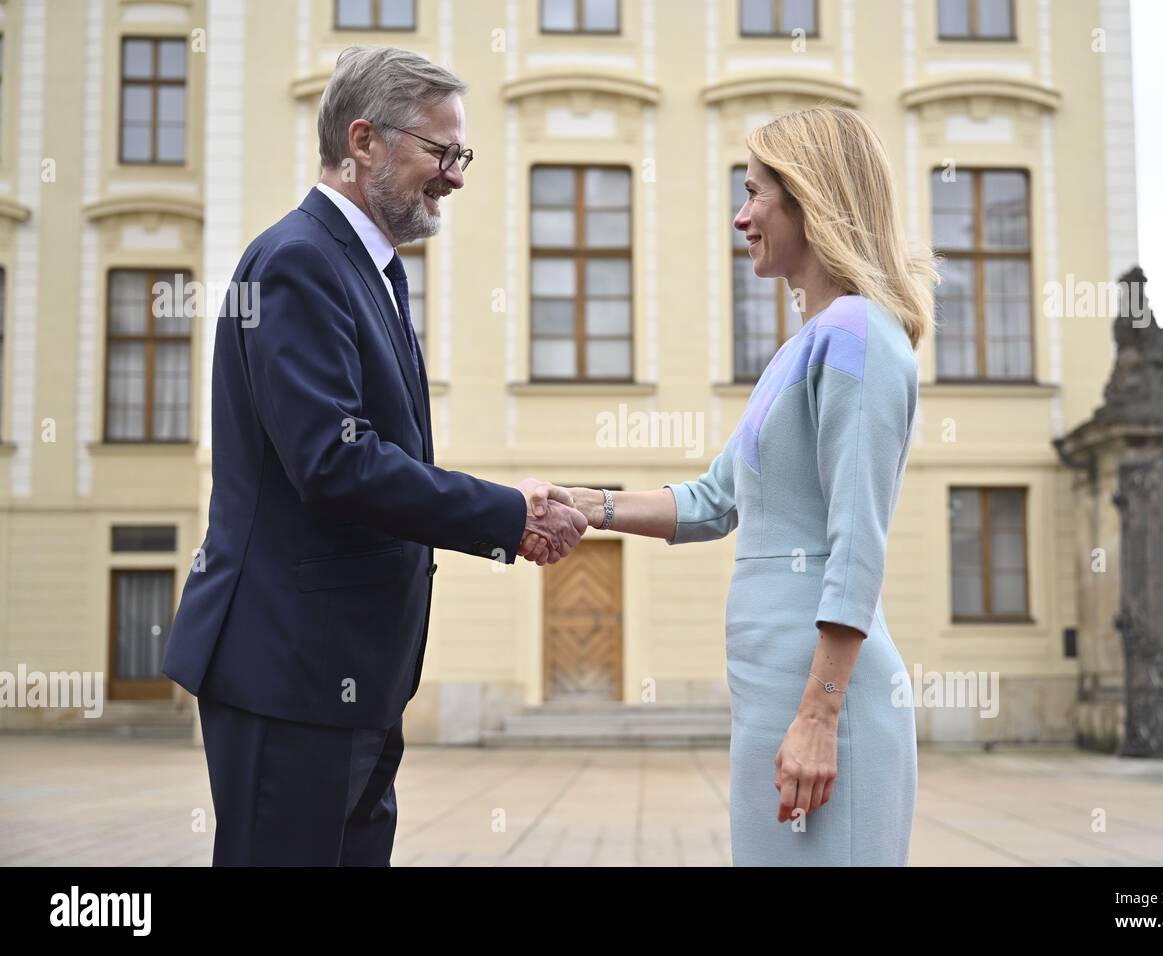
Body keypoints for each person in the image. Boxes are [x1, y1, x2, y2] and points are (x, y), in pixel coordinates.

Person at [162, 47, 585, 866]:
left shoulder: (365, 267)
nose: (455, 177)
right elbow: (334, 461)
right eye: (442, 152)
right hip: (289, 674)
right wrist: (507, 513)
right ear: (364, 142)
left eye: (458, 156)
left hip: (347, 678)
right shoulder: (298, 261)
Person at [535, 106, 937, 866]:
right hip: (775, 695)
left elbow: (859, 543)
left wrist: (820, 717)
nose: (740, 215)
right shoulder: (805, 345)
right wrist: (584, 506)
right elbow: (716, 501)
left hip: (822, 706)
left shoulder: (857, 336)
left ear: (811, 201)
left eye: (756, 194)